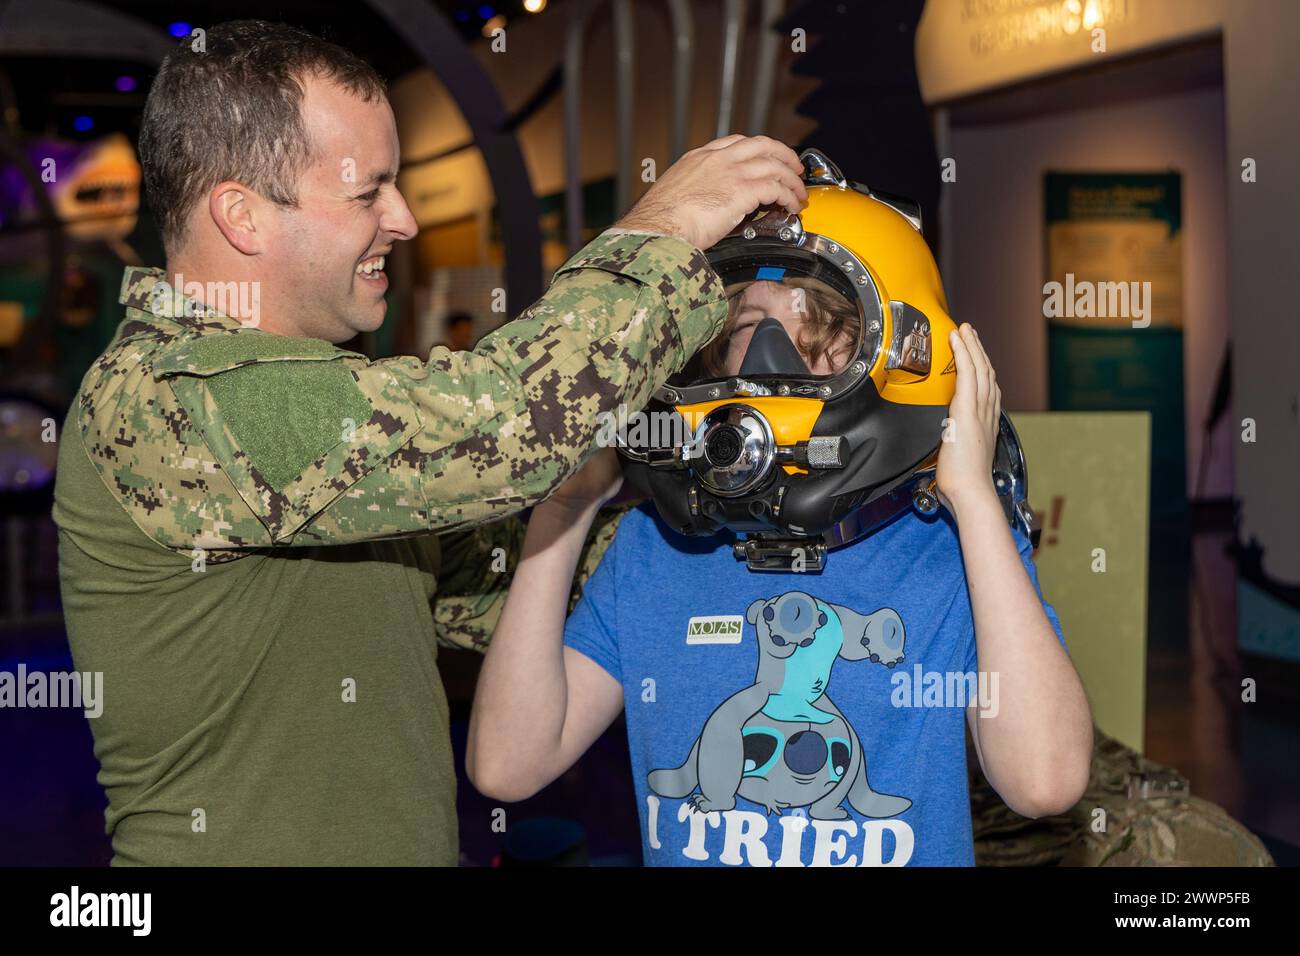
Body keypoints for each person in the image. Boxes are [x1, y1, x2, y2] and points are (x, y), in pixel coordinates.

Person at [52, 18, 809, 866]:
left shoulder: (301, 415)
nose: (404, 219)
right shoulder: (176, 402)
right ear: (244, 216)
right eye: (367, 191)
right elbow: (515, 421)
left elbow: (490, 581)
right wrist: (664, 228)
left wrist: (783, 529)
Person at [467, 171, 1093, 867]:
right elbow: (506, 765)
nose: (769, 359)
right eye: (743, 329)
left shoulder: (946, 552)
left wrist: (975, 502)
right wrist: (566, 504)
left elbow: (1045, 782)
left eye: (819, 330)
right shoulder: (654, 552)